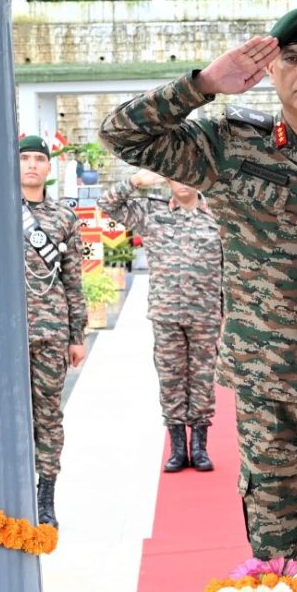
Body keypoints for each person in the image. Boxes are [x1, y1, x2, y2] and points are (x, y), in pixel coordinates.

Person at [100, 2, 297, 562]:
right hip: (266, 388)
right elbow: (121, 137)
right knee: (277, 554)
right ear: (270, 70)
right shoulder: (229, 146)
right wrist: (202, 85)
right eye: (292, 58)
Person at [97, 170, 223, 474]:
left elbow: (231, 264)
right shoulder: (151, 212)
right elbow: (106, 204)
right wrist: (135, 182)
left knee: (203, 380)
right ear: (167, 181)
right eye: (175, 175)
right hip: (166, 314)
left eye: (189, 174)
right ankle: (178, 446)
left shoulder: (218, 215)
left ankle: (200, 446)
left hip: (205, 314)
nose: (182, 181)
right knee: (170, 380)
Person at [18, 135, 87, 528]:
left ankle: (46, 496)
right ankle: (15, 489)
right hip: (7, 334)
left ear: (48, 168)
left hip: (50, 331)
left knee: (48, 416)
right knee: (9, 415)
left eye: (37, 159)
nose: (30, 165)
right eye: (24, 158)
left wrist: (78, 336)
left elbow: (74, 281)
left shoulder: (64, 218)